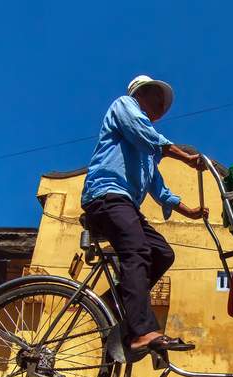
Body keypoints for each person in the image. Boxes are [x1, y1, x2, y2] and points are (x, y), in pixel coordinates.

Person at [81, 75, 207, 356]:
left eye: (163, 102)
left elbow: (159, 189)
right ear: (140, 95)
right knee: (137, 250)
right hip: (106, 195)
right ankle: (141, 331)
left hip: (125, 204)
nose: (161, 105)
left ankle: (116, 302)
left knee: (162, 253)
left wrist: (190, 212)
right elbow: (144, 132)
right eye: (156, 97)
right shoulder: (124, 107)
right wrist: (185, 157)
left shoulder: (148, 154)